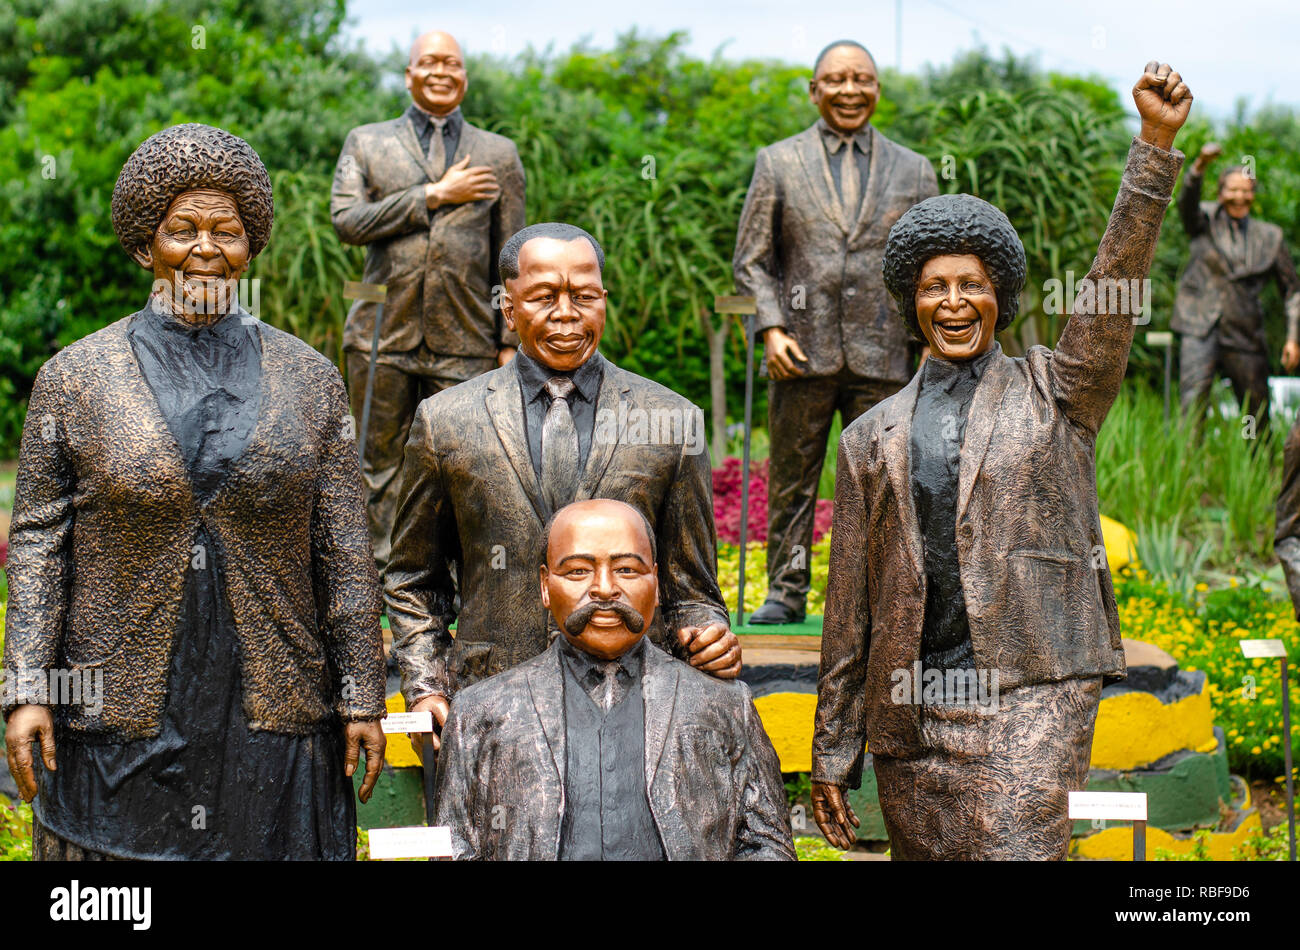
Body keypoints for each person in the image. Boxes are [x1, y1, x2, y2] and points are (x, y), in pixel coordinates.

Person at [811, 63, 1191, 860]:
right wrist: (832, 752)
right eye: (934, 287)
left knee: (1016, 849)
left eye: (972, 286)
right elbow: (851, 604)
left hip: (1033, 685)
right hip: (915, 701)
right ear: (912, 303)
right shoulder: (868, 437)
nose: (953, 302)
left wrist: (1153, 150)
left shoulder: (1059, 392)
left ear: (1000, 297)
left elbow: (1113, 279)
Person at [3, 124, 387, 861]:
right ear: (146, 245)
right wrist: (26, 688)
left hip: (273, 708)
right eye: (183, 229)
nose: (206, 247)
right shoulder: (76, 379)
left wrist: (362, 694)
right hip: (117, 706)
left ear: (252, 248)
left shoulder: (311, 382)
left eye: (228, 231)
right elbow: (37, 545)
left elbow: (344, 552)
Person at [385, 222, 742, 755]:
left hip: (637, 711)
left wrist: (708, 633)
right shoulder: (445, 422)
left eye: (584, 295)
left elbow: (693, 590)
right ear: (508, 309)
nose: (566, 313)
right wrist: (426, 686)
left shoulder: (671, 420)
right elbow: (413, 578)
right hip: (488, 710)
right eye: (544, 296)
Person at [434, 498, 794, 860]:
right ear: (545, 586)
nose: (604, 589)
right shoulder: (479, 713)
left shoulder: (724, 705)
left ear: (656, 582)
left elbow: (768, 846)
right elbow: (453, 848)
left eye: (626, 570)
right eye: (577, 571)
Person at [733, 39, 939, 624]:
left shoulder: (915, 169)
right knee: (793, 476)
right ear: (814, 90)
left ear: (877, 88)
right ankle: (786, 590)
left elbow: (929, 259)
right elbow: (751, 259)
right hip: (800, 350)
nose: (851, 90)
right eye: (837, 79)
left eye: (863, 79)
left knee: (886, 480)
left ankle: (880, 593)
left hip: (887, 355)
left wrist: (927, 342)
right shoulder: (778, 161)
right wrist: (771, 327)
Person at [331, 29, 526, 571]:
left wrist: (509, 339)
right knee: (378, 463)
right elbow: (346, 221)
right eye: (430, 62)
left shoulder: (498, 154)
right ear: (409, 73)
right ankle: (376, 580)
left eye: (454, 64)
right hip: (381, 333)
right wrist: (433, 196)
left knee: (466, 462)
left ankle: (464, 583)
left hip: (466, 337)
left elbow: (512, 257)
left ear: (465, 76)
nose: (442, 72)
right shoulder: (366, 142)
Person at [1172, 141, 1300, 431]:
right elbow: (1186, 203)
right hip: (1199, 325)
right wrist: (1200, 166)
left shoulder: (1270, 237)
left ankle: (1258, 473)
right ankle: (1186, 473)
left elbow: (1292, 290)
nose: (1239, 197)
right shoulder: (1203, 221)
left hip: (1245, 332)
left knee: (1257, 413)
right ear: (1220, 194)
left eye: (1245, 190)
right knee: (1191, 410)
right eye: (1232, 190)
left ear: (1253, 196)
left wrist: (1293, 338)